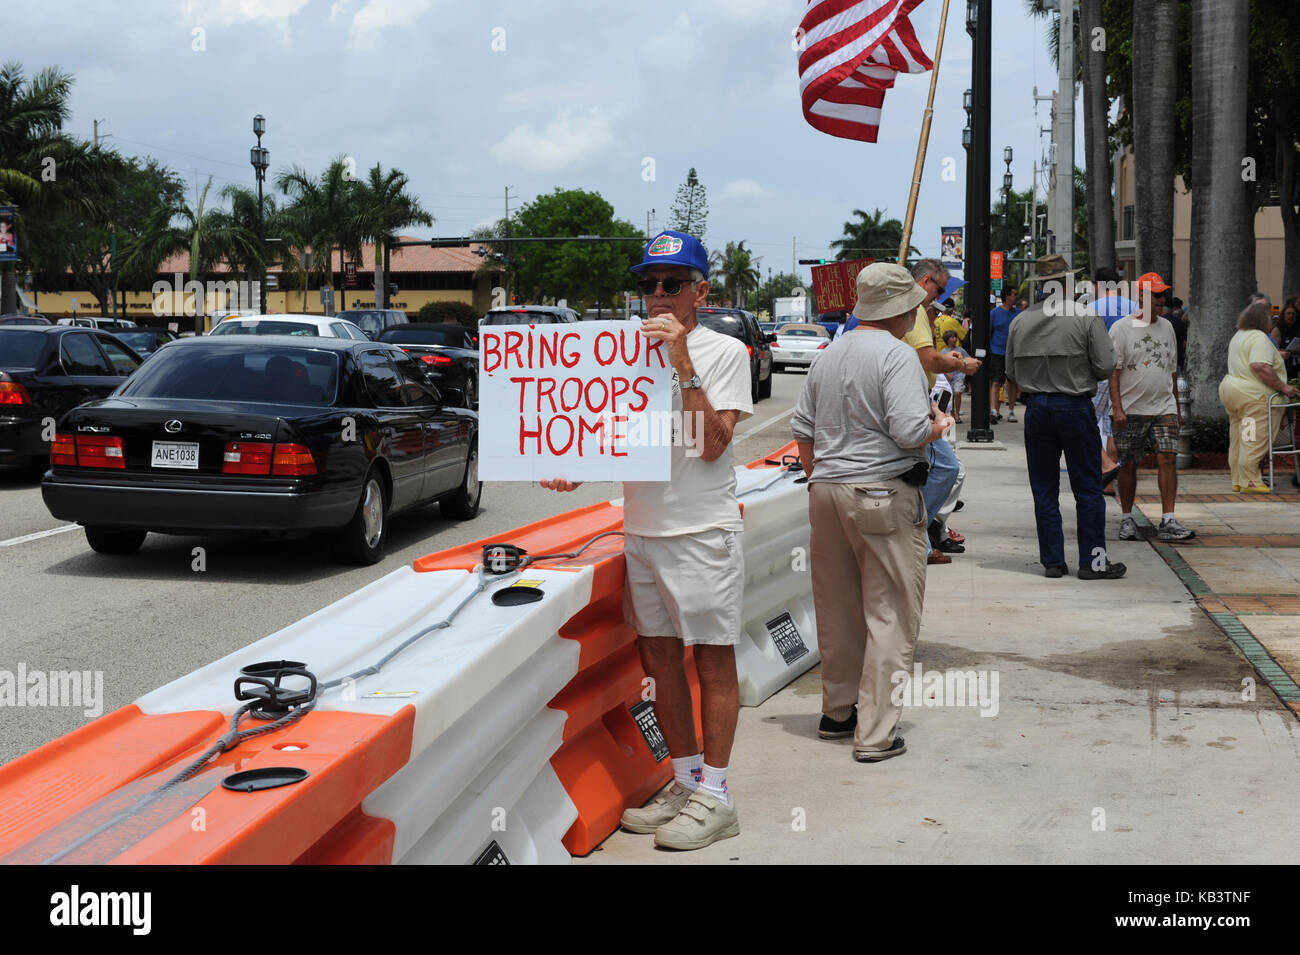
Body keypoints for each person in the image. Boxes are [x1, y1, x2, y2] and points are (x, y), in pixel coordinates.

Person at [541, 230, 752, 850]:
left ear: (700, 293)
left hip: (701, 529)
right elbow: (614, 430)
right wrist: (571, 459)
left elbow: (710, 446)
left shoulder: (724, 353)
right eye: (648, 285)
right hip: (643, 530)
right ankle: (686, 779)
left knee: (712, 658)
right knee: (657, 659)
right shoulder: (620, 352)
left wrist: (682, 363)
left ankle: (717, 793)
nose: (657, 296)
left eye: (672, 284)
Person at [791, 262, 953, 763]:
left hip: (827, 492)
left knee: (838, 610)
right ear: (901, 308)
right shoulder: (898, 356)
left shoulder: (829, 353)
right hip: (882, 492)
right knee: (890, 613)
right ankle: (876, 732)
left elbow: (803, 432)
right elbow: (908, 431)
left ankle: (838, 712)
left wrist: (827, 476)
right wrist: (940, 422)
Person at [1005, 254, 1125, 579]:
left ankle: (1053, 562)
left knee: (1044, 489)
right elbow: (1104, 366)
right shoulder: (1086, 316)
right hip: (1074, 406)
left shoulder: (1020, 321)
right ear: (1069, 283)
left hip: (1037, 409)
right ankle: (1092, 562)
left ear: (1041, 286)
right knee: (1088, 488)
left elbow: (1011, 372)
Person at [1108, 273, 1194, 542]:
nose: (1162, 299)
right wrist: (1117, 408)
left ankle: (1168, 519)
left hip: (1163, 407)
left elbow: (1171, 369)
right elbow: (1113, 371)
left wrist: (1176, 408)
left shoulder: (1167, 327)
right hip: (1131, 409)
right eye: (1156, 295)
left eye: (1163, 294)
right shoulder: (1121, 329)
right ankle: (1126, 518)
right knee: (1129, 464)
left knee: (1168, 458)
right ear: (1142, 297)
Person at [905, 259, 980, 564]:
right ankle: (918, 531)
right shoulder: (916, 310)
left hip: (917, 397)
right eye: (938, 288)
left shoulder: (912, 310)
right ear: (925, 282)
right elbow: (928, 360)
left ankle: (919, 537)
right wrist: (961, 363)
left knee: (925, 470)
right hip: (912, 400)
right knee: (948, 467)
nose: (939, 296)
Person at [1219, 300, 1300, 492]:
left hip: (1233, 391)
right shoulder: (1259, 338)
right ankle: (1250, 481)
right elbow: (1260, 366)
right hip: (1253, 397)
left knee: (1239, 437)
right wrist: (1283, 387)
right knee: (1252, 438)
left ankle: (1238, 479)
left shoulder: (1239, 335)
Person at [988, 286, 1021, 423]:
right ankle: (994, 410)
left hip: (1013, 351)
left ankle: (1011, 411)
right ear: (1007, 296)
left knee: (1012, 381)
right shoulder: (994, 313)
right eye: (1014, 294)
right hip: (997, 351)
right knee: (996, 381)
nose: (1016, 297)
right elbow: (989, 333)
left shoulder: (1018, 313)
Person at [940, 329, 969, 423]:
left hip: (959, 375)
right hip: (949, 377)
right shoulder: (943, 352)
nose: (955, 339)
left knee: (957, 393)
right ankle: (952, 414)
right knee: (951, 395)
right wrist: (947, 374)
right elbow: (941, 366)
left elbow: (967, 359)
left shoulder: (961, 350)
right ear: (947, 339)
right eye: (952, 337)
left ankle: (957, 413)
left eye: (955, 337)